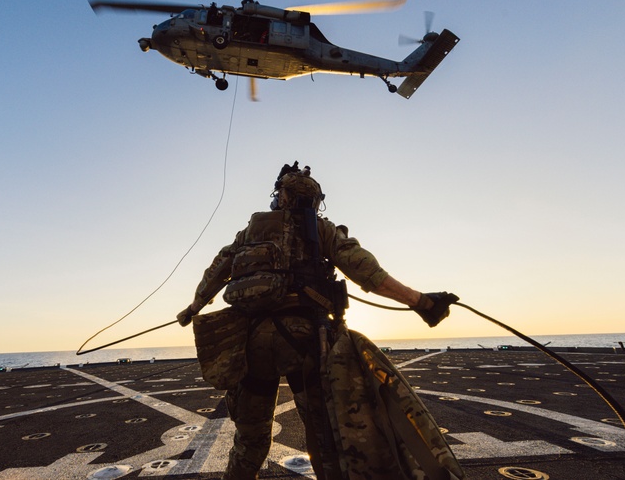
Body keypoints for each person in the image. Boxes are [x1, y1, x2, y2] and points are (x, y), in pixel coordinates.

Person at [177, 162, 462, 480]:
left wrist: (192, 309)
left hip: (251, 344)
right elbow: (367, 271)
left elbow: (215, 273)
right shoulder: (322, 230)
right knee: (326, 440)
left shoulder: (248, 235)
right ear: (314, 201)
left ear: (280, 197)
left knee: (249, 443)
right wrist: (421, 302)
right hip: (303, 342)